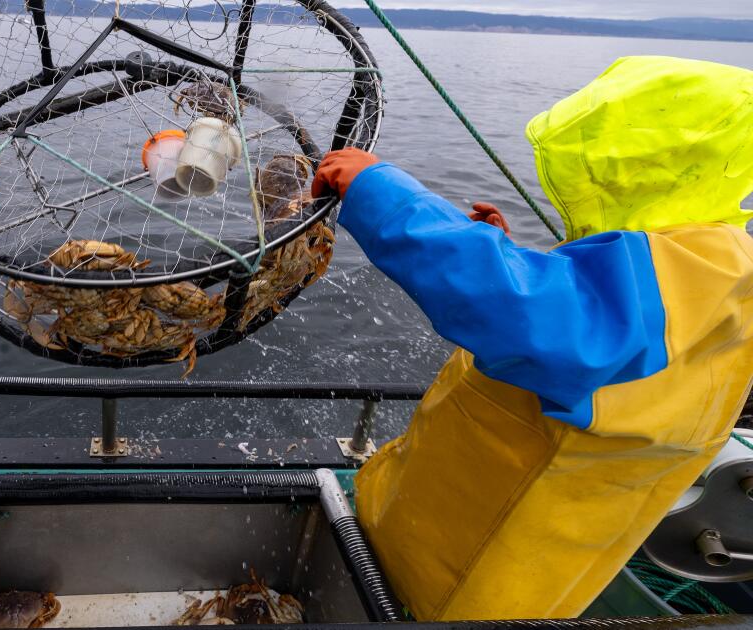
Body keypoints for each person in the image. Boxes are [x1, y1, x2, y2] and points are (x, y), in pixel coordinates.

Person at [312, 55, 753, 620]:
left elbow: (535, 321)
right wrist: (507, 251)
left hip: (468, 575)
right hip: (434, 509)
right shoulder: (692, 252)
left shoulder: (714, 263)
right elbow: (597, 320)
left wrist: (379, 190)